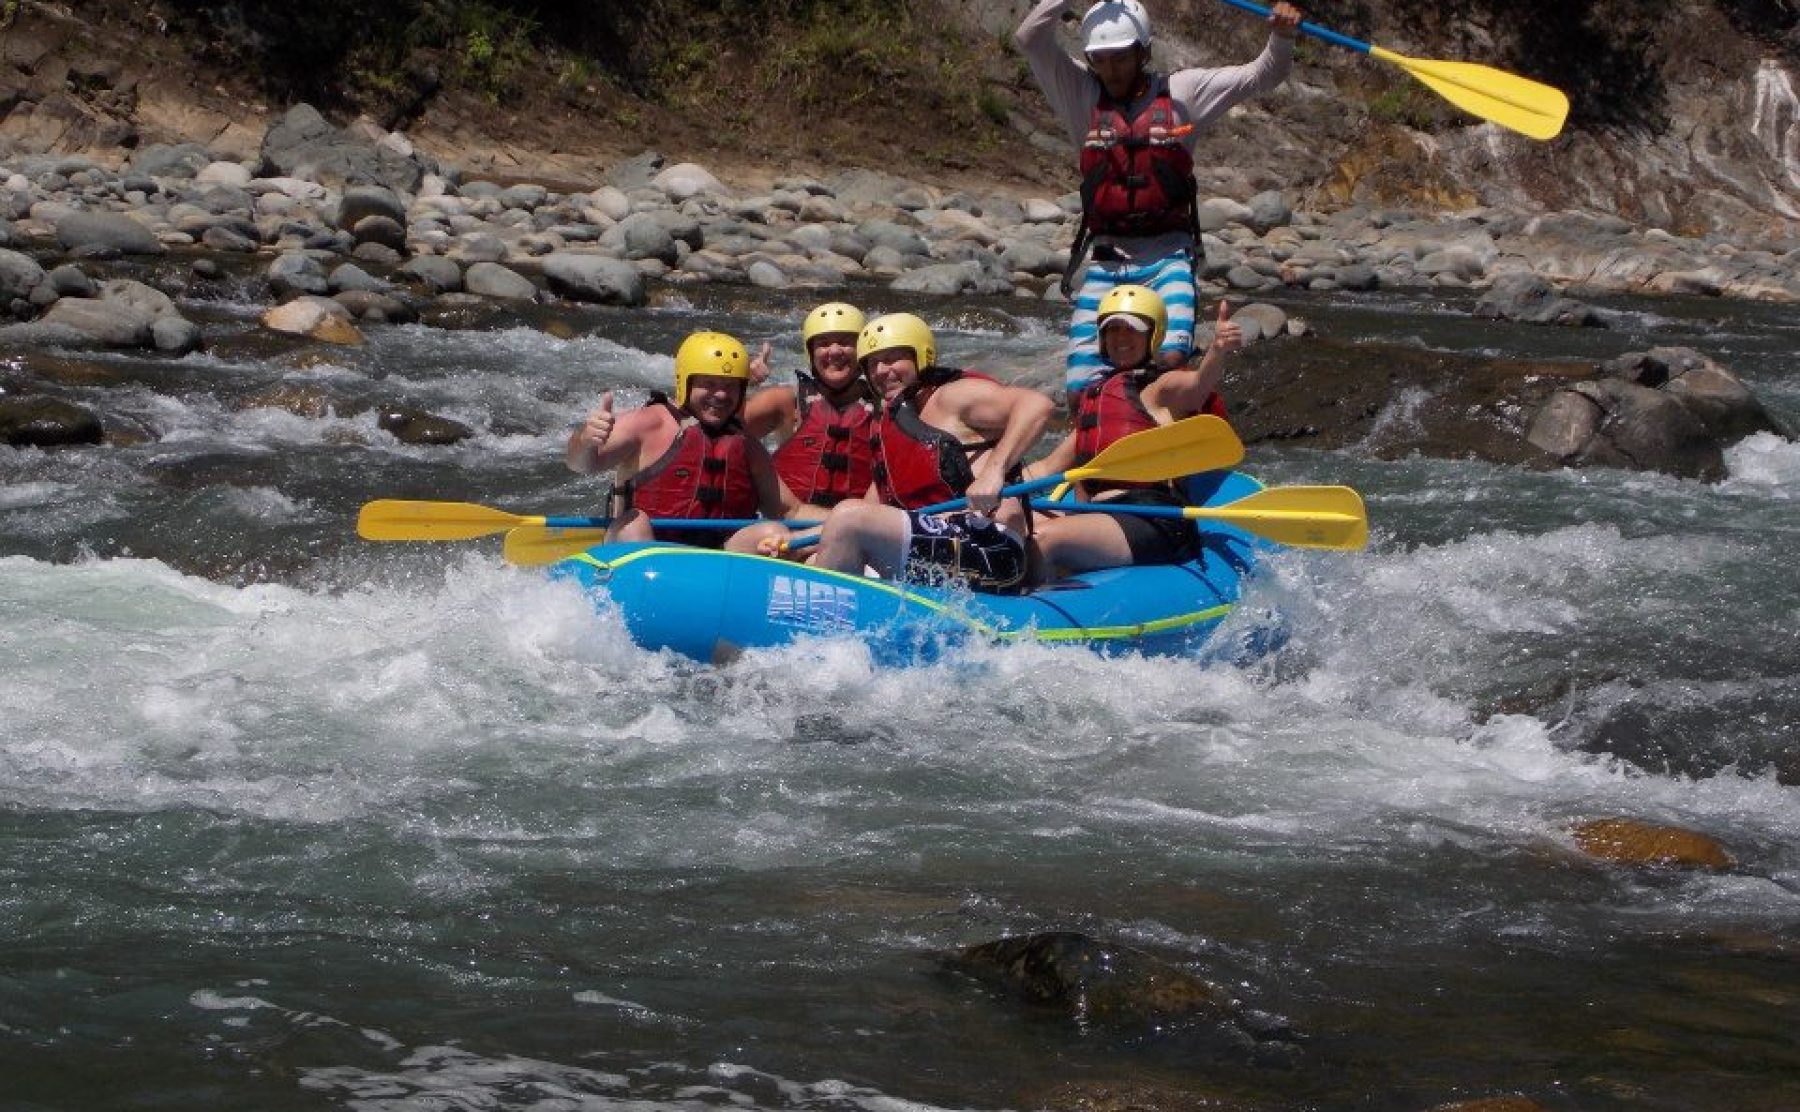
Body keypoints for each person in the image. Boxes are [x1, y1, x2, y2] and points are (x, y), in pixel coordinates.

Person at [1014, 0, 1300, 395]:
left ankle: (1161, 411)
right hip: (1108, 260)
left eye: (1120, 58)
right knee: (1081, 384)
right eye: (1100, 60)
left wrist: (1282, 35)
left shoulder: (1183, 92)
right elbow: (1030, 37)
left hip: (1168, 257)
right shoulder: (1079, 93)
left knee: (1170, 356)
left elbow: (1264, 74)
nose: (1111, 70)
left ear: (1143, 52)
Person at [763, 312, 1054, 594]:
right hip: (933, 545)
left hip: (989, 548)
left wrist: (994, 472)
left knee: (849, 519)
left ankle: (826, 620)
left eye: (892, 359)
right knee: (811, 549)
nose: (881, 371)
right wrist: (796, 541)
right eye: (873, 363)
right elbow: (871, 508)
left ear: (921, 357)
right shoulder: (889, 426)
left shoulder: (952, 396)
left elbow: (1037, 405)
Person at [1026, 284, 1242, 580]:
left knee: (1042, 538)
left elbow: (1198, 387)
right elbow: (1046, 468)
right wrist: (991, 483)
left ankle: (1035, 603)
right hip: (1096, 517)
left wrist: (1217, 351)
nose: (1121, 338)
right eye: (1113, 330)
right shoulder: (1097, 400)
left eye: (1132, 329)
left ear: (1152, 335)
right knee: (1008, 522)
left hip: (1152, 520)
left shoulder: (1161, 389)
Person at [565, 330, 804, 553]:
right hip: (642, 551)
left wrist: (827, 525)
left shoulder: (744, 444)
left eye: (730, 386)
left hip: (716, 558)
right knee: (634, 525)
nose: (721, 394)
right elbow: (581, 464)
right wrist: (585, 440)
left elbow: (790, 510)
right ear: (686, 384)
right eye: (709, 384)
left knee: (773, 532)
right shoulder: (650, 423)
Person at [741, 301, 879, 511]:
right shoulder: (786, 402)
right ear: (811, 353)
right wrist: (742, 383)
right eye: (823, 343)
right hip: (791, 524)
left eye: (845, 342)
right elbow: (714, 430)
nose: (834, 351)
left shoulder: (885, 408)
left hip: (859, 525)